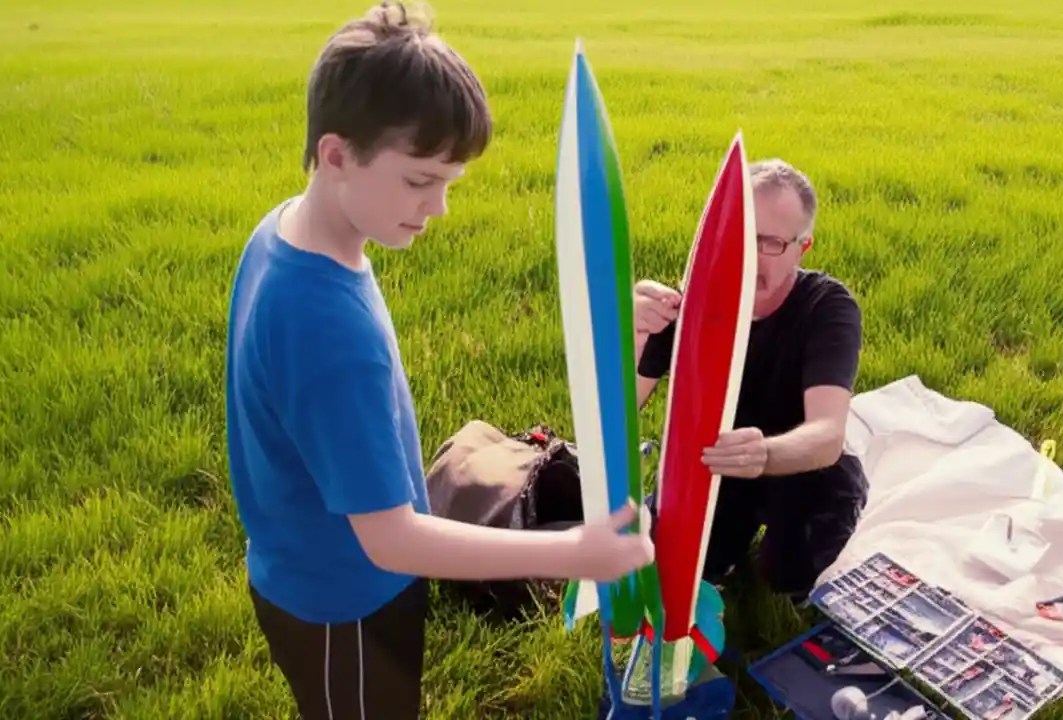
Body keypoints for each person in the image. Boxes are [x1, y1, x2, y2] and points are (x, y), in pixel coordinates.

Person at [224, 4, 653, 718]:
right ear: (337, 154)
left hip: (307, 564)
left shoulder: (287, 232)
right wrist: (573, 551)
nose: (440, 208)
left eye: (448, 182)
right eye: (421, 181)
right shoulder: (328, 325)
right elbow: (392, 540)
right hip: (343, 601)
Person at [634, 158, 866, 601]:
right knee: (681, 568)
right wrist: (634, 332)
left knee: (789, 579)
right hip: (716, 467)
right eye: (741, 236)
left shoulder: (827, 307)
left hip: (802, 469)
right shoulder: (689, 304)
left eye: (772, 243)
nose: (750, 254)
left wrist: (763, 454)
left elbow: (826, 435)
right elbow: (622, 411)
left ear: (803, 248)